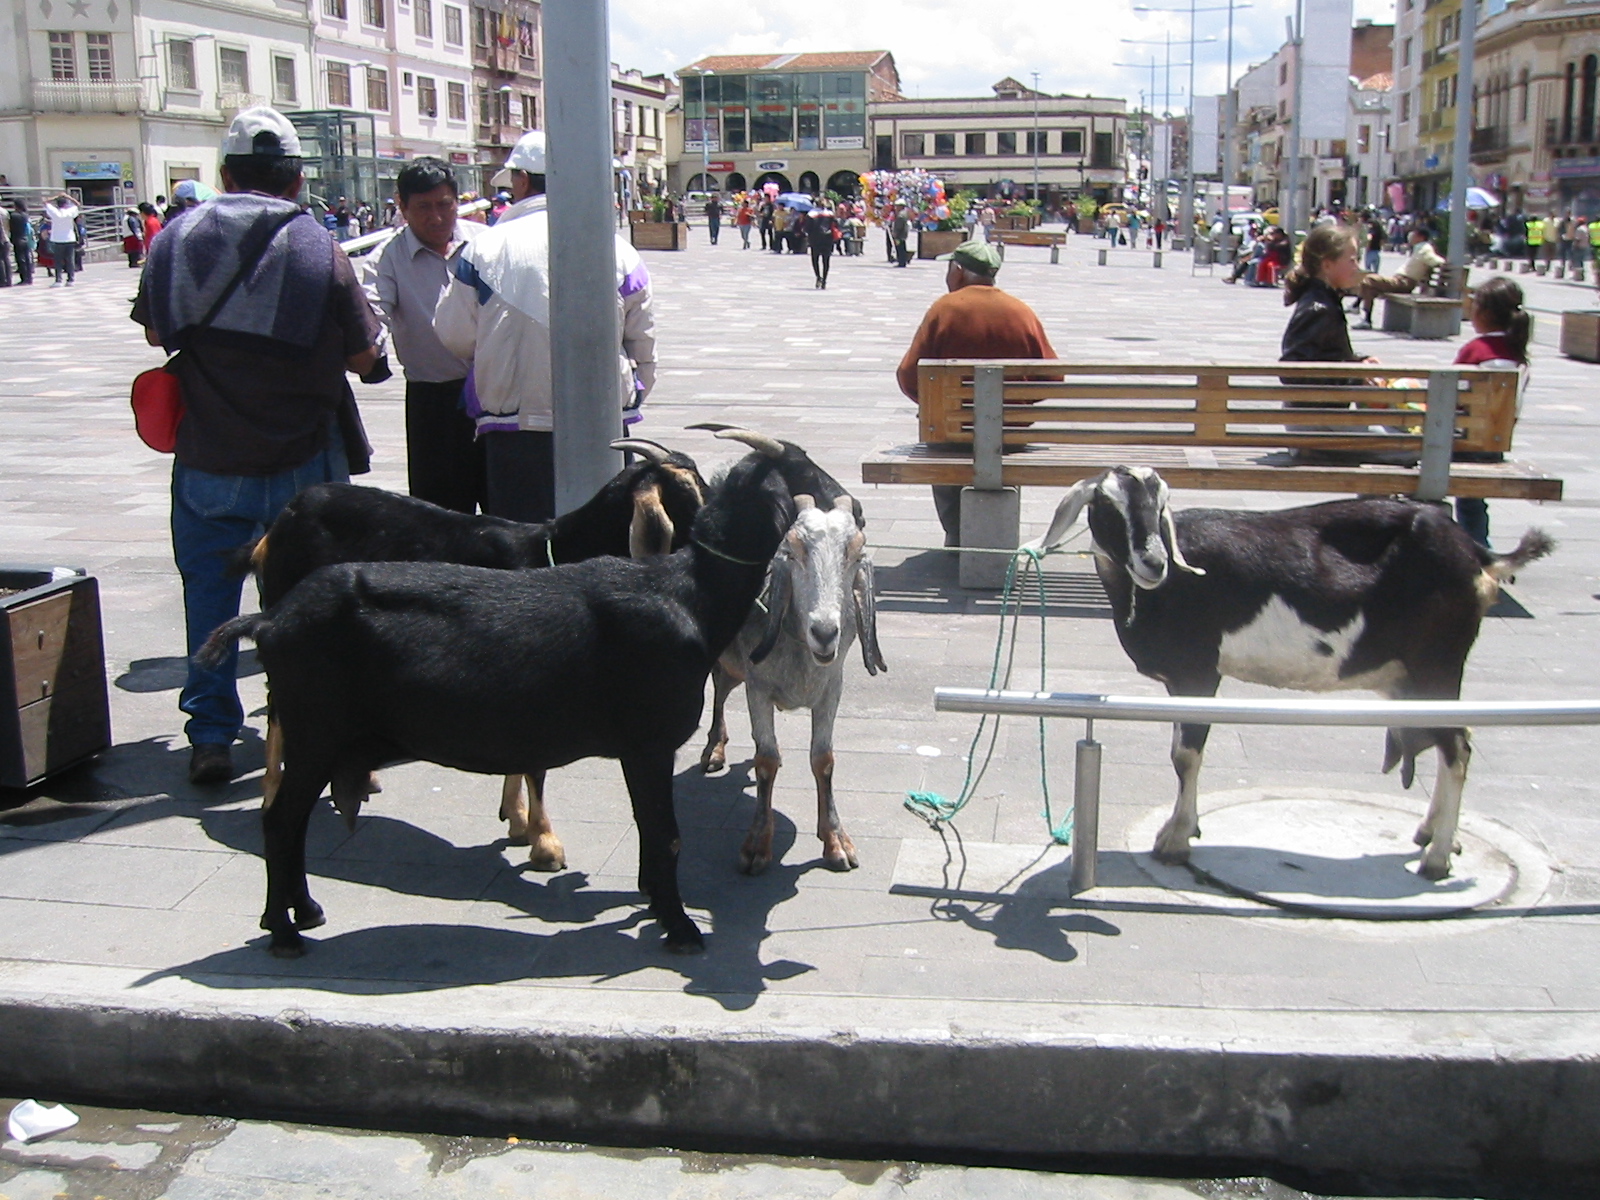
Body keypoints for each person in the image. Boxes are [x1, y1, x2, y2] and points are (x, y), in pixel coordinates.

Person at [132, 106, 384, 784]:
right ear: (297, 179)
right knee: (311, 605)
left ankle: (212, 736)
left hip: (211, 456)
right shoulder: (318, 247)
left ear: (224, 175)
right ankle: (306, 728)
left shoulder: (175, 239)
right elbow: (365, 357)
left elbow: (156, 332)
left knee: (210, 599)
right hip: (306, 463)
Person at [433, 130, 657, 524]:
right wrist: (635, 389)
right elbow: (643, 341)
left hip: (514, 425)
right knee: (601, 536)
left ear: (521, 180)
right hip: (602, 422)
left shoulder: (484, 249)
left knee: (525, 540)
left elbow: (454, 334)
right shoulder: (618, 249)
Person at [895, 239, 1057, 545]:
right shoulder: (1021, 311)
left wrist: (935, 405)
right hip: (1008, 433)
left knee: (940, 434)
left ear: (957, 270)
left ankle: (956, 534)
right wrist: (1017, 405)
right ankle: (993, 533)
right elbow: (1052, 376)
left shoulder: (944, 309)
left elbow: (908, 375)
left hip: (951, 433)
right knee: (997, 447)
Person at [369, 156, 486, 515]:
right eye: (423, 207)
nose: (436, 218)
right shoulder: (386, 260)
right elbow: (373, 314)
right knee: (439, 518)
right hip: (434, 404)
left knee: (508, 516)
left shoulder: (486, 244)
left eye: (444, 205)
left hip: (494, 397)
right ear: (402, 207)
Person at [1452, 277, 1531, 548]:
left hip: (1460, 445)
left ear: (1484, 314)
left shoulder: (1475, 350)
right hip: (1492, 446)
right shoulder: (1518, 354)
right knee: (1472, 500)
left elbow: (1452, 395)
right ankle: (1479, 546)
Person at [1279, 223, 1376, 430]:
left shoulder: (1326, 300)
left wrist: (1357, 362)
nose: (1357, 267)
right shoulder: (1319, 308)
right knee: (1405, 440)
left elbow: (1327, 355)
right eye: (1352, 260)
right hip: (1316, 421)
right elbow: (1292, 371)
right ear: (1327, 265)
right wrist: (1355, 378)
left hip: (1322, 415)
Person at [1355, 226, 1445, 328]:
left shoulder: (1425, 249)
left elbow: (1434, 260)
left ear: (1420, 237)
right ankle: (1366, 319)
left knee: (1370, 279)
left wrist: (1442, 263)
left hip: (1404, 282)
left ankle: (1356, 306)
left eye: (1414, 234)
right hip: (1401, 280)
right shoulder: (1420, 248)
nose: (1411, 236)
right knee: (1369, 288)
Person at [43, 193, 79, 286]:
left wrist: (55, 196)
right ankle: (71, 279)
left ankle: (58, 280)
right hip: (70, 238)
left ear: (57, 204)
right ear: (66, 204)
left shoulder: (55, 212)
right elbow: (77, 204)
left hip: (58, 239)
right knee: (70, 260)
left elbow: (45, 202)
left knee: (58, 261)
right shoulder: (70, 212)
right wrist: (68, 197)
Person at [805, 206, 838, 289]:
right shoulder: (830, 214)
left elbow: (807, 229)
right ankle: (824, 280)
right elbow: (836, 226)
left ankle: (818, 277)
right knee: (826, 261)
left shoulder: (811, 214)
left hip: (815, 240)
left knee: (815, 259)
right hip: (827, 239)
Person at [9, 199, 34, 285]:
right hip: (25, 238)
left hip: (17, 239)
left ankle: (24, 278)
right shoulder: (25, 215)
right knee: (27, 259)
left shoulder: (14, 216)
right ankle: (29, 278)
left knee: (20, 259)